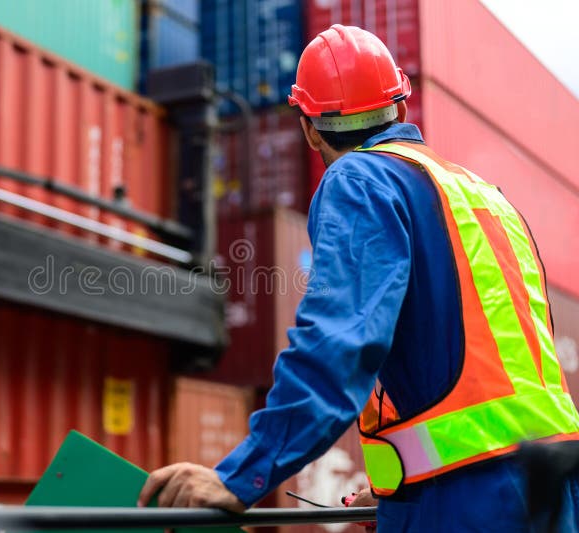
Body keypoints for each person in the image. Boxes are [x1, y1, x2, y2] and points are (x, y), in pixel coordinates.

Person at [138, 24, 579, 531]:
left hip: (469, 500)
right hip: (557, 486)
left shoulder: (360, 179)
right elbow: (489, 373)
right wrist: (404, 477)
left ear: (309, 130)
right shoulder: (487, 196)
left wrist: (240, 477)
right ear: (402, 110)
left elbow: (339, 345)